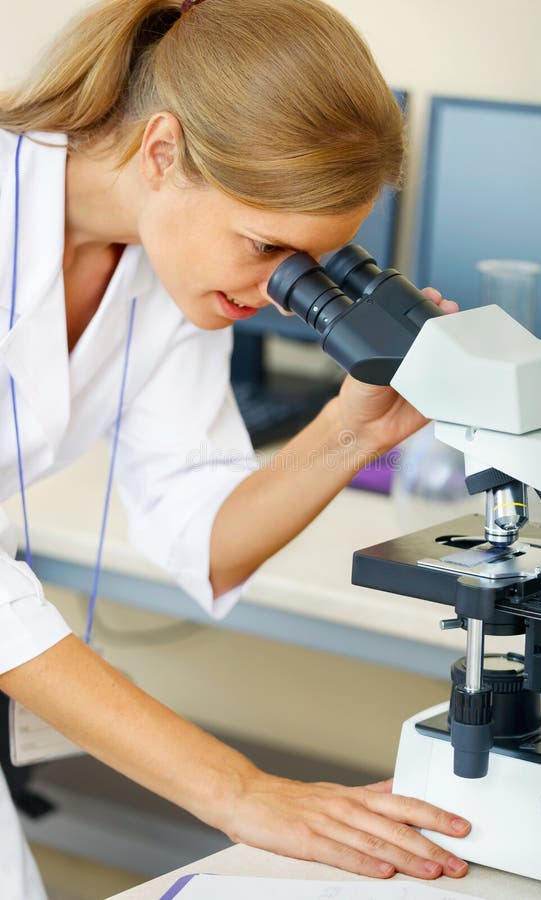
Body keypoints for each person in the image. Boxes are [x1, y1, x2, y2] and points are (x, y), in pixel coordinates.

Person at [0, 0, 469, 896]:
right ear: (163, 152)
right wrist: (239, 790)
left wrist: (348, 431)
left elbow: (199, 529)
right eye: (268, 248)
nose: (281, 290)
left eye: (311, 267)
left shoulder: (171, 261)